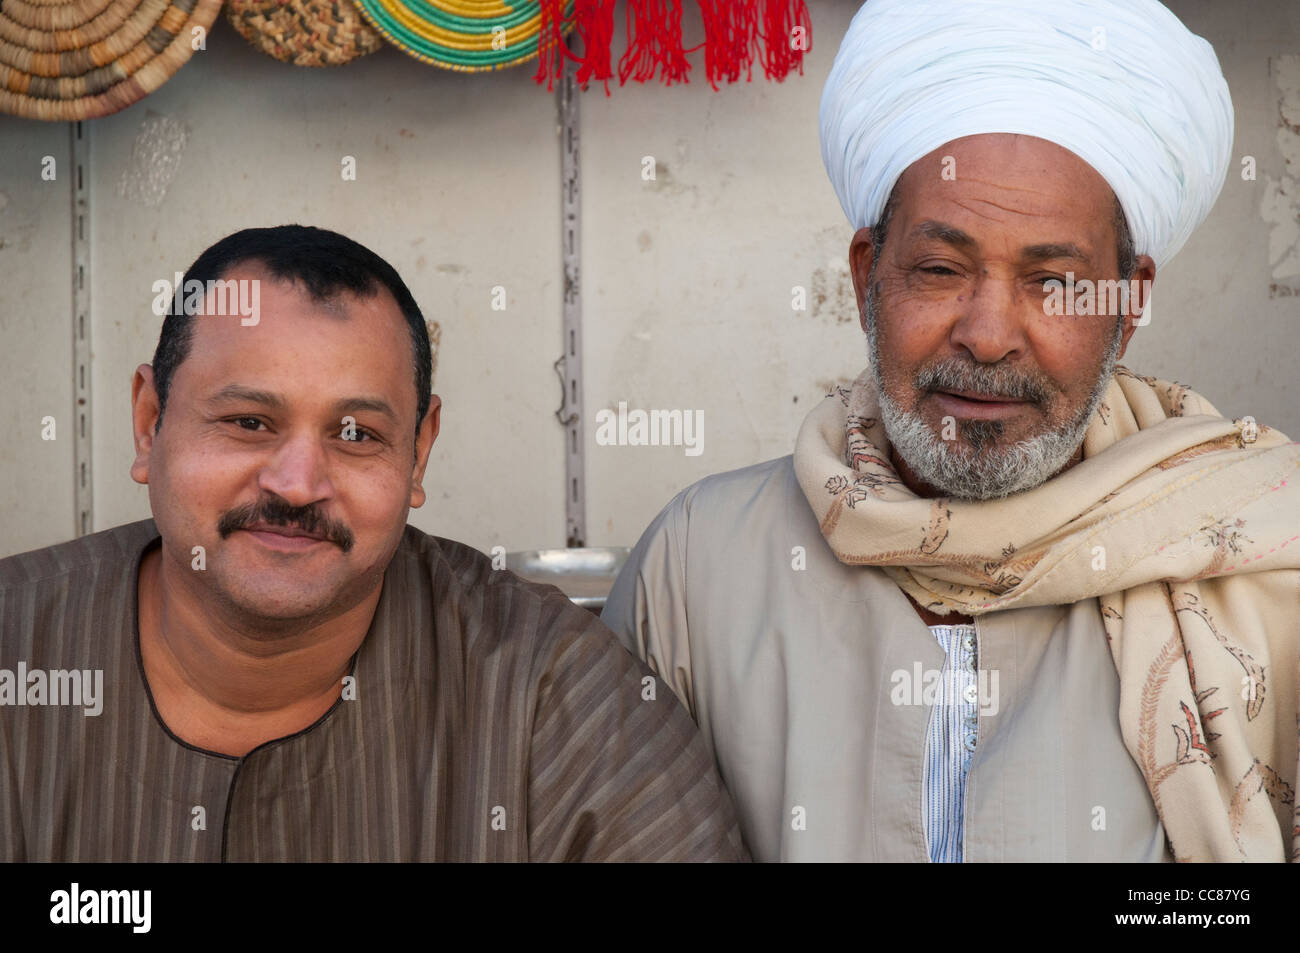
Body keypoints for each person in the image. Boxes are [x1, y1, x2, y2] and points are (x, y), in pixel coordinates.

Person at [602, 0, 1300, 862]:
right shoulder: (696, 569)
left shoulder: (1260, 573)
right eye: (939, 269)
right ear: (866, 279)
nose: (988, 332)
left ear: (1126, 306)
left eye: (1053, 282)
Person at [0, 224, 747, 862]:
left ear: (418, 453)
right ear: (148, 420)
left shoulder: (549, 697)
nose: (296, 484)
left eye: (355, 434)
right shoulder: (18, 652)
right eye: (248, 422)